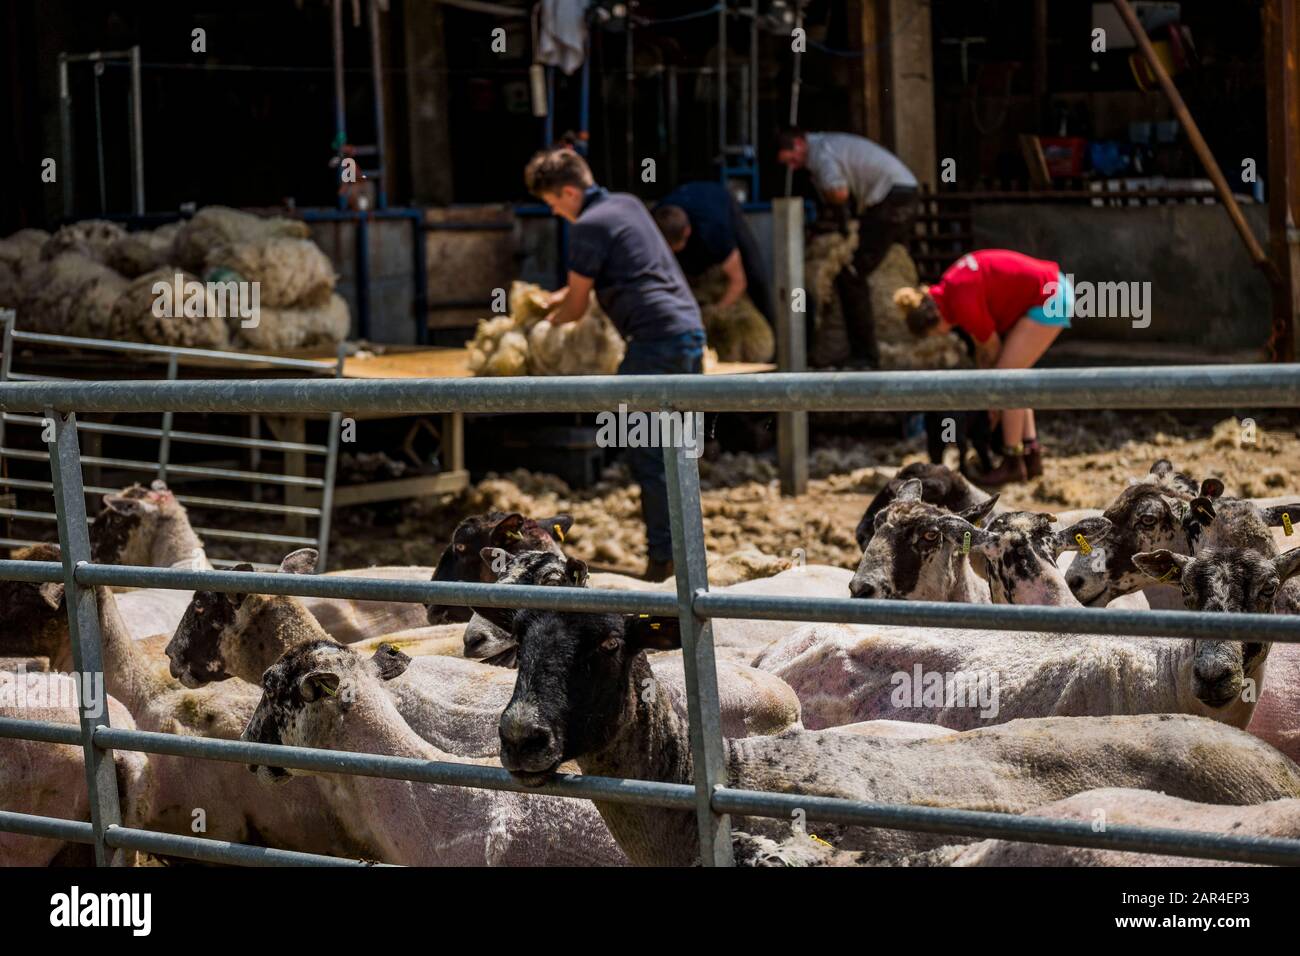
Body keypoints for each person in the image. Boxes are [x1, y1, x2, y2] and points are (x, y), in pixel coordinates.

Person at [523, 147, 705, 581]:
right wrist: (556, 300)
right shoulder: (626, 204)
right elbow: (588, 287)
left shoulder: (587, 226)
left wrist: (537, 323)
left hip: (654, 343)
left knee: (650, 453)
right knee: (678, 450)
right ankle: (685, 558)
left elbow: (577, 307)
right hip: (686, 332)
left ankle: (666, 563)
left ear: (569, 192)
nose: (556, 213)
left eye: (553, 204)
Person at [894, 249, 1075, 486]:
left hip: (1050, 296)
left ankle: (1013, 462)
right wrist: (986, 392)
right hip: (1051, 287)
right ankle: (1032, 455)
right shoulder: (952, 289)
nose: (940, 335)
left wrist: (992, 402)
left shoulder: (961, 302)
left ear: (934, 322)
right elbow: (984, 349)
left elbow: (991, 348)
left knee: (1007, 381)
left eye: (933, 333)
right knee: (1013, 374)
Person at [776, 127, 919, 367]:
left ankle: (865, 356)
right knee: (856, 270)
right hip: (898, 194)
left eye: (792, 159)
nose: (793, 166)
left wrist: (830, 201)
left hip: (893, 199)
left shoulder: (820, 155)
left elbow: (839, 193)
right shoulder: (827, 145)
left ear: (799, 143)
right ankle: (860, 350)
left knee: (852, 275)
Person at [651, 181, 775, 327]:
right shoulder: (652, 222)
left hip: (719, 202)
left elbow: (738, 281)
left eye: (674, 247)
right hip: (687, 199)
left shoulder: (714, 231)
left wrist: (714, 314)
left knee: (755, 274)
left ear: (687, 232)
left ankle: (770, 330)